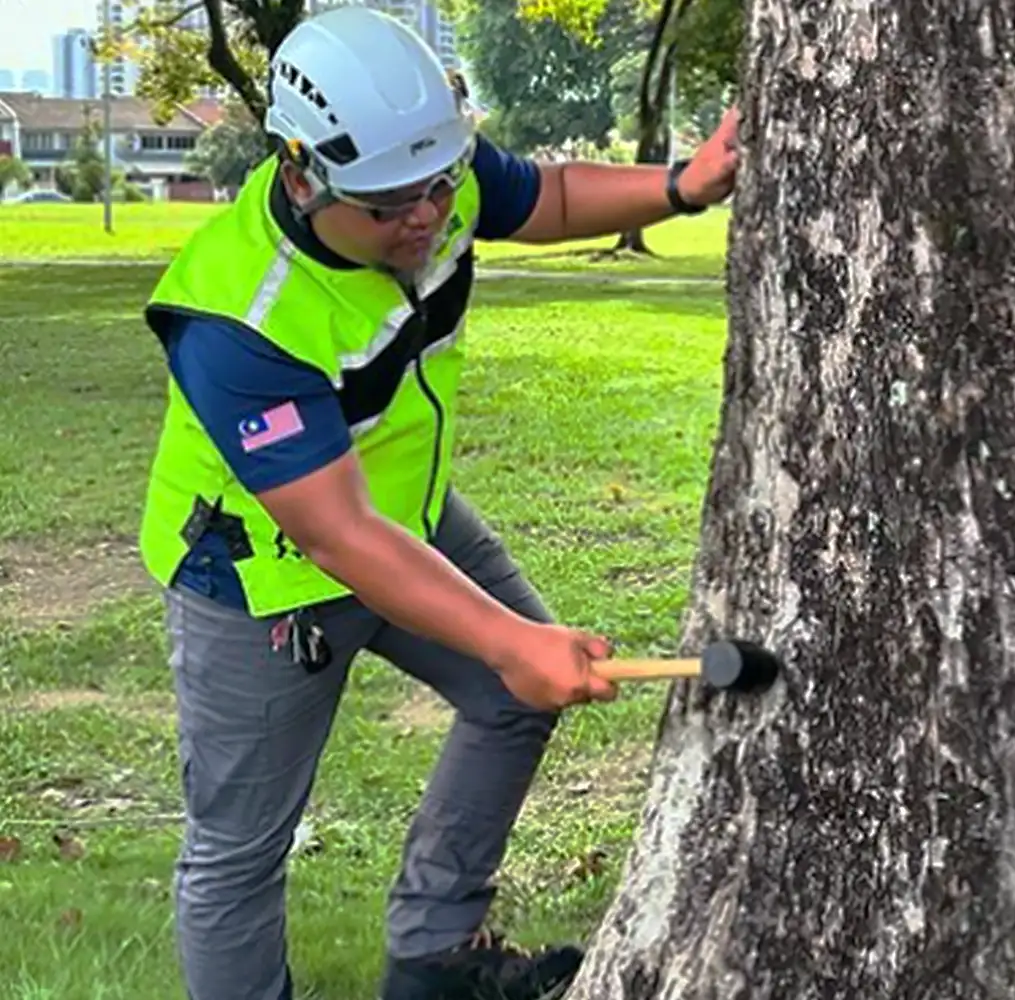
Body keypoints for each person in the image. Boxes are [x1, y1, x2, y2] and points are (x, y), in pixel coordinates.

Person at [132, 6, 739, 999]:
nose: (426, 218)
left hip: (398, 513)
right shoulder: (233, 317)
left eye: (438, 188)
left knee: (512, 694)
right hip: (258, 575)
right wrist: (507, 638)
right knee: (239, 851)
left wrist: (679, 187)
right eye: (389, 206)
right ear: (301, 172)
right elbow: (335, 536)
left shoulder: (419, 179)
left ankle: (432, 957)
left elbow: (542, 194)